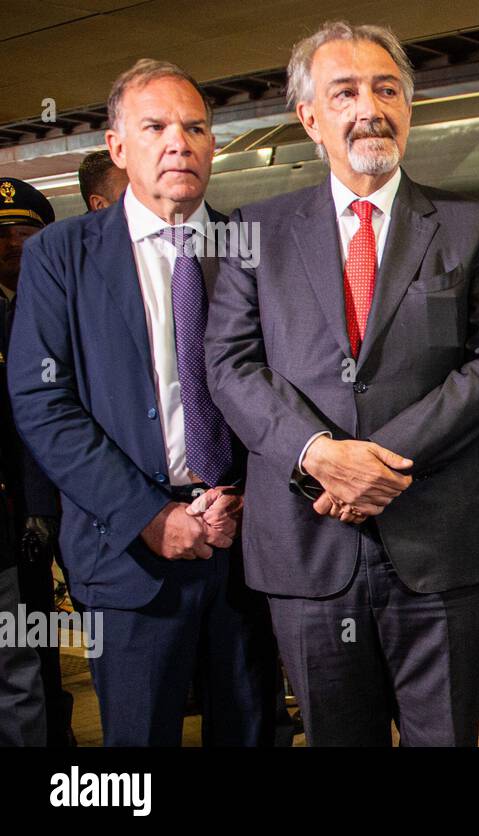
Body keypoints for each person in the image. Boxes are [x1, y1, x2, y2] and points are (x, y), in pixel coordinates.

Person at [206, 20, 479, 747]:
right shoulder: (254, 231)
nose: (369, 107)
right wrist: (320, 454)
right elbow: (229, 365)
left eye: (387, 89)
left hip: (445, 545)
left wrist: (372, 463)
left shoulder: (475, 227)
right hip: (307, 543)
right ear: (309, 116)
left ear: (410, 108)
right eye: (344, 91)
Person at [7, 60, 279, 746]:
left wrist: (255, 491)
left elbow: (286, 388)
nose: (178, 143)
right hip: (127, 557)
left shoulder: (254, 248)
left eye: (194, 127)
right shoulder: (61, 255)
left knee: (254, 732)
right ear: (118, 147)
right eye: (154, 127)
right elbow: (43, 400)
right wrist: (149, 515)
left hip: (247, 548)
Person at [0, 177, 56, 746]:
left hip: (67, 504)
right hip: (13, 509)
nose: (13, 243)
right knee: (19, 649)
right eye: (2, 235)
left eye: (24, 231)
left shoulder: (59, 298)